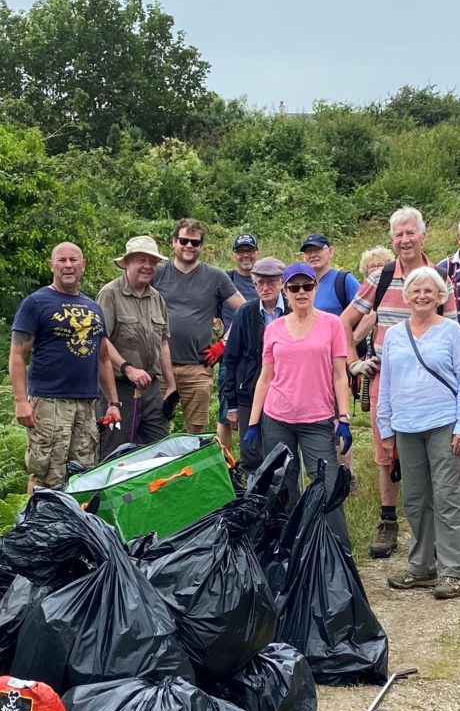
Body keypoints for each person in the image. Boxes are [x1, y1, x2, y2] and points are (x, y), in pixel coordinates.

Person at [374, 267, 460, 600]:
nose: (422, 296)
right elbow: (386, 384)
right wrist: (385, 428)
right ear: (407, 296)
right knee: (416, 501)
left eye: (429, 291)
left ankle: (450, 571)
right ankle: (421, 567)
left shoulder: (450, 332)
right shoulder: (393, 335)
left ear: (439, 296)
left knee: (446, 499)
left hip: (443, 425)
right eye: (416, 290)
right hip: (406, 427)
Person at [342, 208, 434, 558]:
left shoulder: (437, 278)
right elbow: (344, 323)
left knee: (424, 454)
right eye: (399, 235)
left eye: (411, 233)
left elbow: (455, 330)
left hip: (427, 384)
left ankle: (425, 529)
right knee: (385, 454)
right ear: (392, 238)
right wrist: (353, 362)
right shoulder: (381, 277)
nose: (405, 240)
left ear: (423, 236)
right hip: (385, 379)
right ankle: (388, 522)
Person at [245, 262, 354, 544]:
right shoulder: (275, 329)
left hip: (317, 419)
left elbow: (339, 375)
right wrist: (253, 424)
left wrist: (343, 418)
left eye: (307, 286)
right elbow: (265, 378)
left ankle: (339, 552)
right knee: (283, 486)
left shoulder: (332, 324)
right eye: (294, 287)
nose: (301, 292)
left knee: (327, 486)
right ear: (285, 290)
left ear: (315, 288)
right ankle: (290, 549)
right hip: (277, 419)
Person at [9, 243, 122, 491]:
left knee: (83, 474)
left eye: (73, 260)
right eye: (62, 260)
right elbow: (18, 353)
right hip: (50, 402)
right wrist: (20, 401)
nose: (68, 265)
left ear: (83, 265)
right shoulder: (36, 303)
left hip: (87, 404)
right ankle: (36, 527)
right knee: (46, 474)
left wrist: (113, 403)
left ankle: (73, 527)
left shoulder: (94, 307)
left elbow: (102, 357)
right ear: (52, 265)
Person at [152, 220, 240, 437]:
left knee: (196, 432)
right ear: (173, 242)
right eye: (183, 241)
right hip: (159, 366)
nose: (189, 246)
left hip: (197, 368)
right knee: (155, 428)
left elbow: (245, 309)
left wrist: (224, 342)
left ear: (202, 246)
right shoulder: (157, 274)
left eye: (195, 242)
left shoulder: (215, 276)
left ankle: (192, 470)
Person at [97, 235, 176, 456]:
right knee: (115, 452)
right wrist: (128, 369)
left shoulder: (156, 298)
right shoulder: (110, 294)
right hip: (118, 388)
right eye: (141, 260)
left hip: (151, 389)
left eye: (152, 261)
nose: (148, 266)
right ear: (128, 262)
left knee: (160, 451)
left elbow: (163, 342)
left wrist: (170, 384)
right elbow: (101, 340)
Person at [221, 255, 287, 449]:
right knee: (251, 452)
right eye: (260, 283)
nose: (265, 288)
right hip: (248, 391)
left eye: (271, 282)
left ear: (282, 282)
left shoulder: (292, 310)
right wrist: (232, 403)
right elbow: (231, 358)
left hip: (285, 391)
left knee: (283, 450)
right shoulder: (245, 312)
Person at [300, 233, 361, 315]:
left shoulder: (344, 281)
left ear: (330, 251)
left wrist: (350, 327)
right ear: (303, 256)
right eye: (308, 252)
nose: (313, 255)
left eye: (318, 250)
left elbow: (369, 312)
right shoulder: (298, 285)